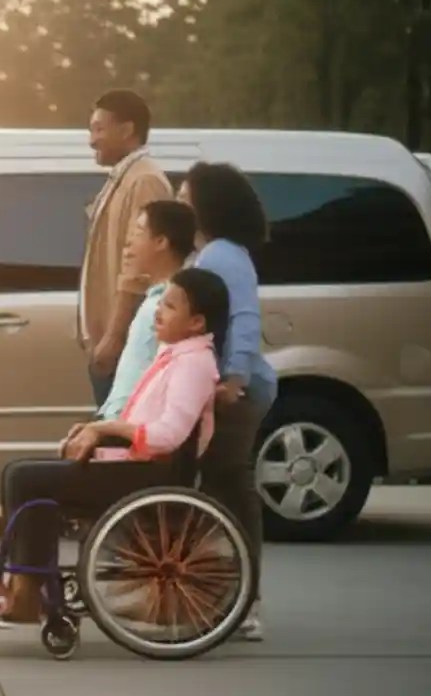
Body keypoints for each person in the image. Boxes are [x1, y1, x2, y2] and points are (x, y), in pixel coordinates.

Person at [0, 267, 229, 625]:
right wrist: (96, 431)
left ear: (196, 322)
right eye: (161, 302)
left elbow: (168, 435)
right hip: (137, 465)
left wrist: (105, 429)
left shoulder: (193, 364)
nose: (159, 310)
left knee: (26, 479)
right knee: (16, 473)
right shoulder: (176, 356)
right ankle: (23, 586)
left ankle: (27, 595)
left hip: (148, 475)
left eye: (171, 306)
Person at [178, 161, 279, 642]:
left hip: (237, 391)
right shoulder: (213, 253)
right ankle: (229, 596)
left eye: (185, 193)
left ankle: (245, 602)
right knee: (221, 491)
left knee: (232, 493)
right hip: (222, 388)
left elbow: (243, 320)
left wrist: (234, 380)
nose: (179, 198)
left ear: (206, 204)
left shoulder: (223, 254)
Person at [80, 89, 174, 406]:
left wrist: (115, 335)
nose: (92, 140)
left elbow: (140, 267)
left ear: (127, 129)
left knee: (121, 444)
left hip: (125, 343)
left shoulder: (144, 181)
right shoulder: (124, 178)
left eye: (99, 129)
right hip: (110, 339)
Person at [96, 200, 197, 421]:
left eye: (138, 233)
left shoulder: (167, 306)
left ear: (161, 242)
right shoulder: (156, 298)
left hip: (130, 425)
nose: (128, 244)